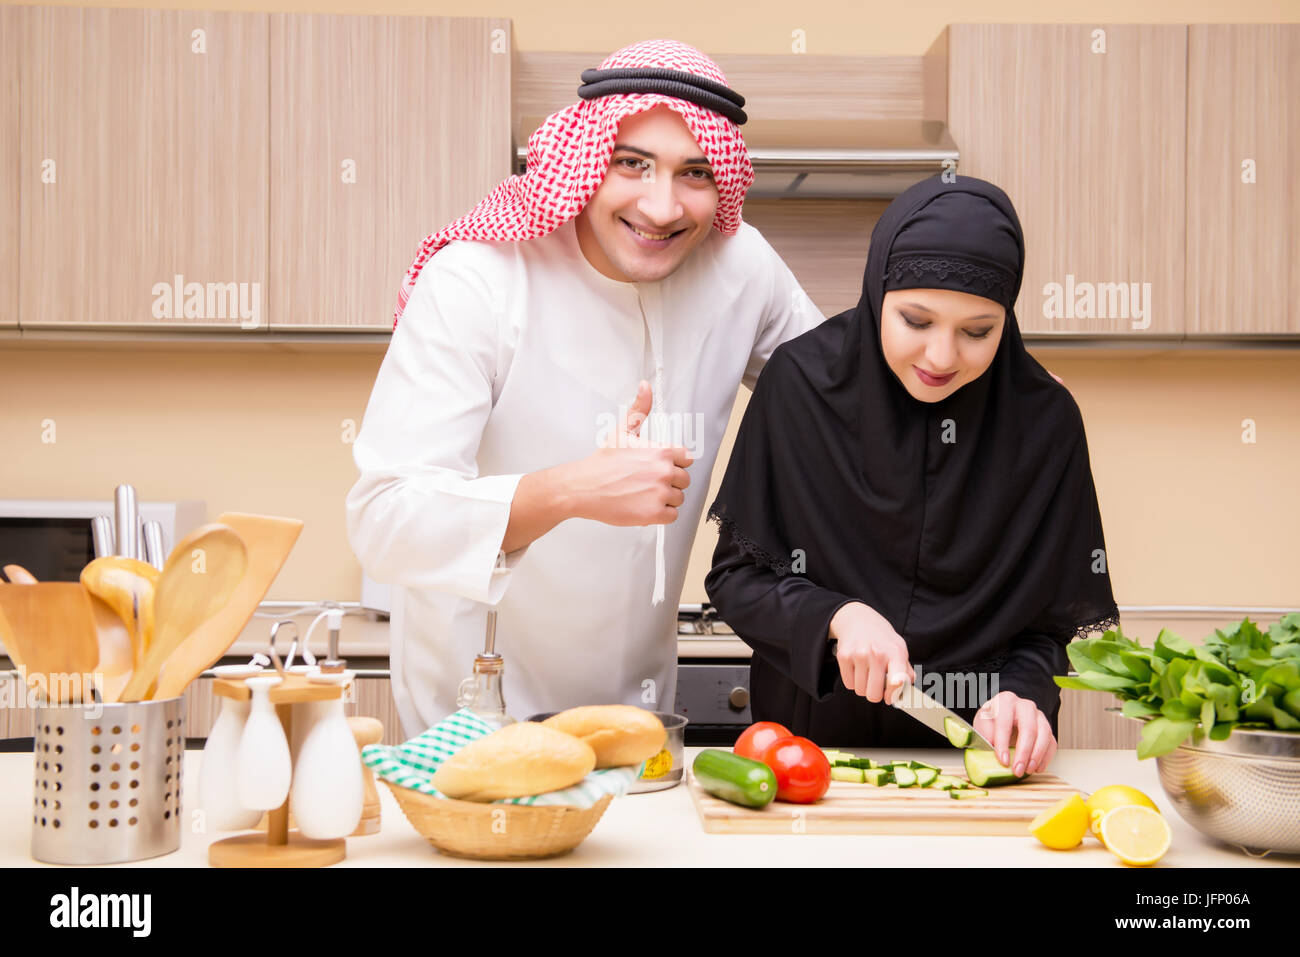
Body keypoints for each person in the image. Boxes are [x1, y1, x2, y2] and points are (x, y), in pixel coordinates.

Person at [345, 40, 824, 738]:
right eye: (633, 164)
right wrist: (572, 490)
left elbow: (845, 400)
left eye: (694, 172)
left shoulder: (741, 267)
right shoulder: (479, 279)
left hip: (640, 729)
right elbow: (384, 520)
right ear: (586, 159)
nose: (661, 207)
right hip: (475, 728)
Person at [704, 174, 1119, 776]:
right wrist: (837, 616)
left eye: (978, 331)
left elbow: (1048, 626)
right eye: (916, 321)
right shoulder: (799, 386)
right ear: (877, 292)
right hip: (809, 761)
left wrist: (1024, 695)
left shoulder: (1044, 422)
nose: (942, 357)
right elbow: (737, 578)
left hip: (981, 762)